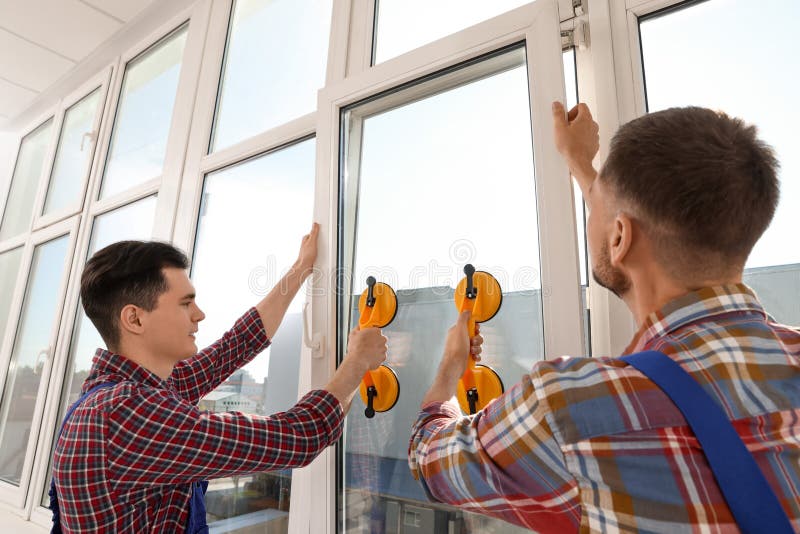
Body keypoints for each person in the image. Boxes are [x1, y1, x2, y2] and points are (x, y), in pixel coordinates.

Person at [408, 103, 800, 531]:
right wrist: (583, 168)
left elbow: (429, 460)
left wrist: (449, 368)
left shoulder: (572, 409)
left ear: (619, 236)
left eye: (596, 209)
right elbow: (640, 234)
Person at [52, 223, 388, 533]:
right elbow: (293, 437)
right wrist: (356, 363)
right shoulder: (126, 413)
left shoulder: (135, 392)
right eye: (186, 304)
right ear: (135, 320)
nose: (199, 315)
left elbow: (234, 347)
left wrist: (301, 269)